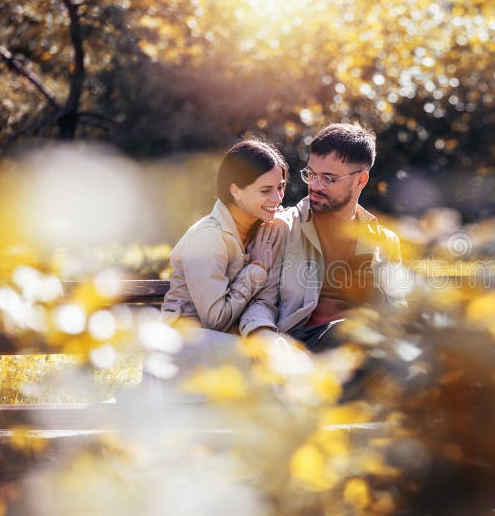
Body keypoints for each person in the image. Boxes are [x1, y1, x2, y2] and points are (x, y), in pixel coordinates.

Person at [240, 123, 401, 350]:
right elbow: (261, 301)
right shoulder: (281, 228)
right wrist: (264, 339)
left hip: (364, 350)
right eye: (312, 174)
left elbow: (397, 307)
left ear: (360, 180)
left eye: (328, 178)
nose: (315, 186)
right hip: (301, 344)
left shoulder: (384, 241)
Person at [161, 138, 287, 334]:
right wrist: (257, 268)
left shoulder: (262, 230)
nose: (277, 198)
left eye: (280, 187)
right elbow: (215, 321)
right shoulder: (207, 238)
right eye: (265, 190)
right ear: (235, 190)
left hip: (227, 341)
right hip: (185, 343)